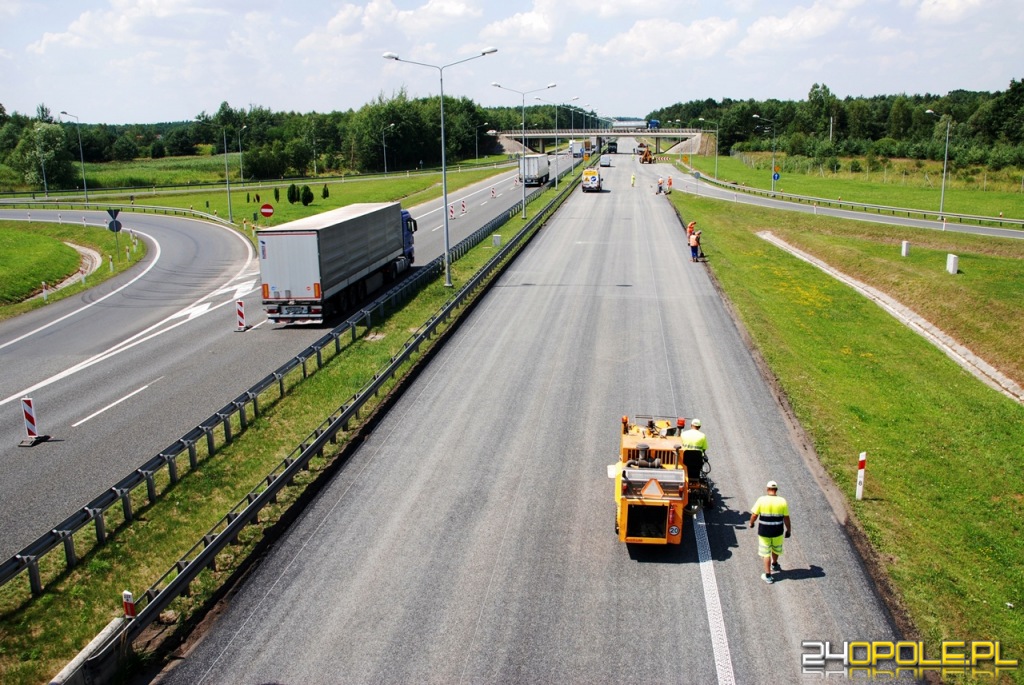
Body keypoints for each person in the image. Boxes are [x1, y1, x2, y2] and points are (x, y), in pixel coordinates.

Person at [749, 481, 792, 584]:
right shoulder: (782, 501)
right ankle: (775, 564)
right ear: (776, 490)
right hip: (778, 531)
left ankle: (768, 575)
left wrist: (751, 523)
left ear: (767, 489)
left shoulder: (761, 500)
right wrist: (788, 530)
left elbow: (754, 515)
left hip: (764, 531)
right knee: (776, 548)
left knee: (766, 553)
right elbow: (786, 518)